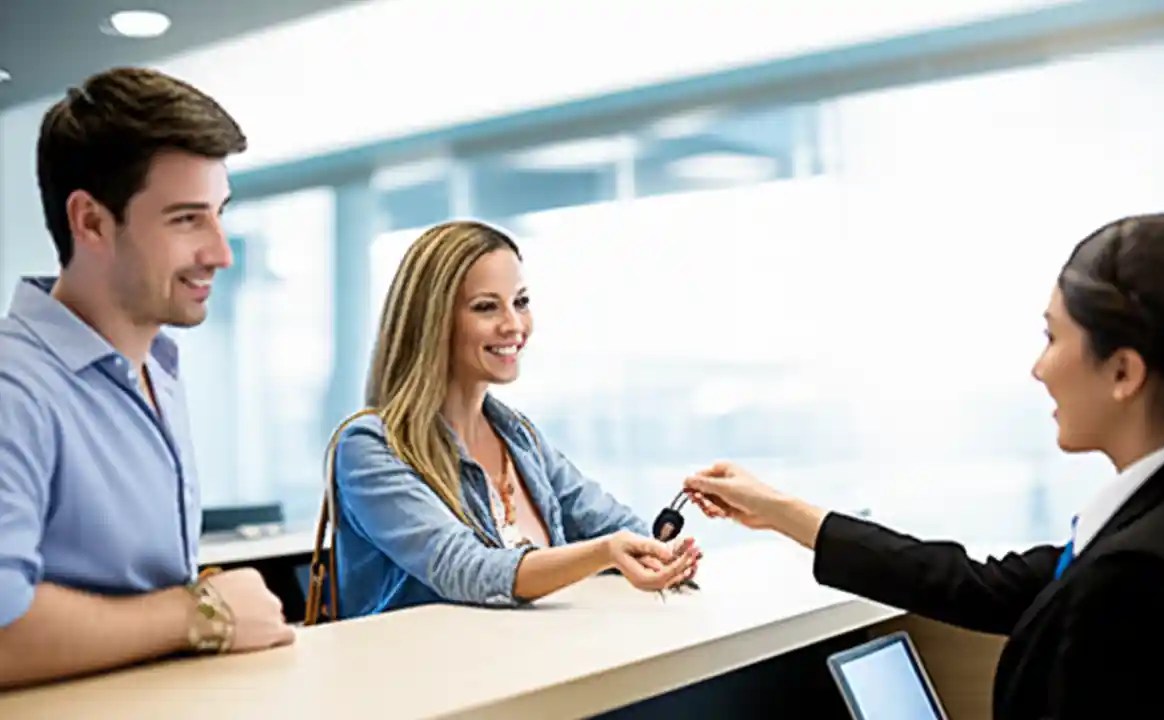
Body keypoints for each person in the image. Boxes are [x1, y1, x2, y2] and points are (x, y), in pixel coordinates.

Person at [683, 213, 1164, 719]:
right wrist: (784, 513)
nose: (1038, 369)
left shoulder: (1144, 572)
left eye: (1052, 337)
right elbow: (983, 587)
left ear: (1124, 372)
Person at [0, 67, 295, 689]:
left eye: (219, 213)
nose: (221, 252)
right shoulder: (13, 389)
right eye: (187, 219)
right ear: (91, 222)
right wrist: (201, 615)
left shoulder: (156, 366)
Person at [322, 220, 698, 618]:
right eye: (486, 307)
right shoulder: (370, 447)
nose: (514, 325)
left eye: (520, 302)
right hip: (426, 676)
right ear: (432, 322)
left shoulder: (518, 437)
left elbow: (613, 526)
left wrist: (665, 555)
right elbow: (464, 570)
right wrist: (606, 552)